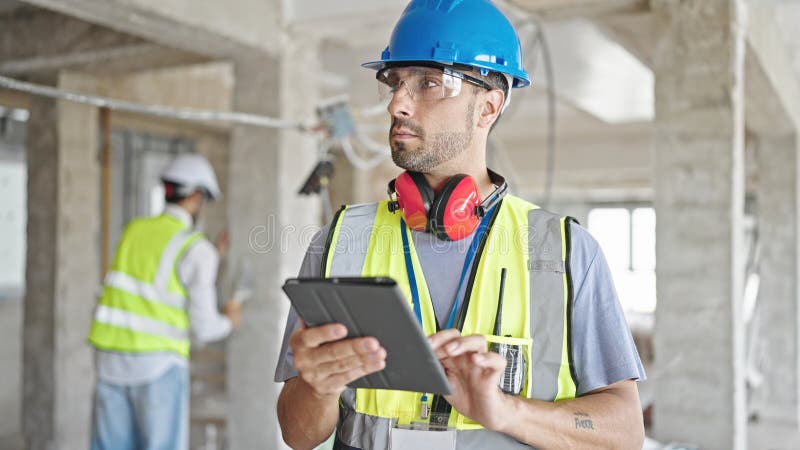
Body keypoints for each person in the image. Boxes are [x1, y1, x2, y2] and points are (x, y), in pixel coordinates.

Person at [275, 1, 646, 449]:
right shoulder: (339, 241)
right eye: (394, 82)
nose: (397, 103)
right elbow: (297, 436)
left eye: (429, 83)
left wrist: (508, 411)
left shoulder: (566, 251)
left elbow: (624, 434)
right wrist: (318, 386)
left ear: (489, 106)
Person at [88, 153, 241, 450]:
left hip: (110, 360)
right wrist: (230, 320)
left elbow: (153, 280)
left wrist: (212, 258)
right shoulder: (197, 249)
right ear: (197, 196)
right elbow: (206, 328)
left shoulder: (135, 230)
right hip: (158, 366)